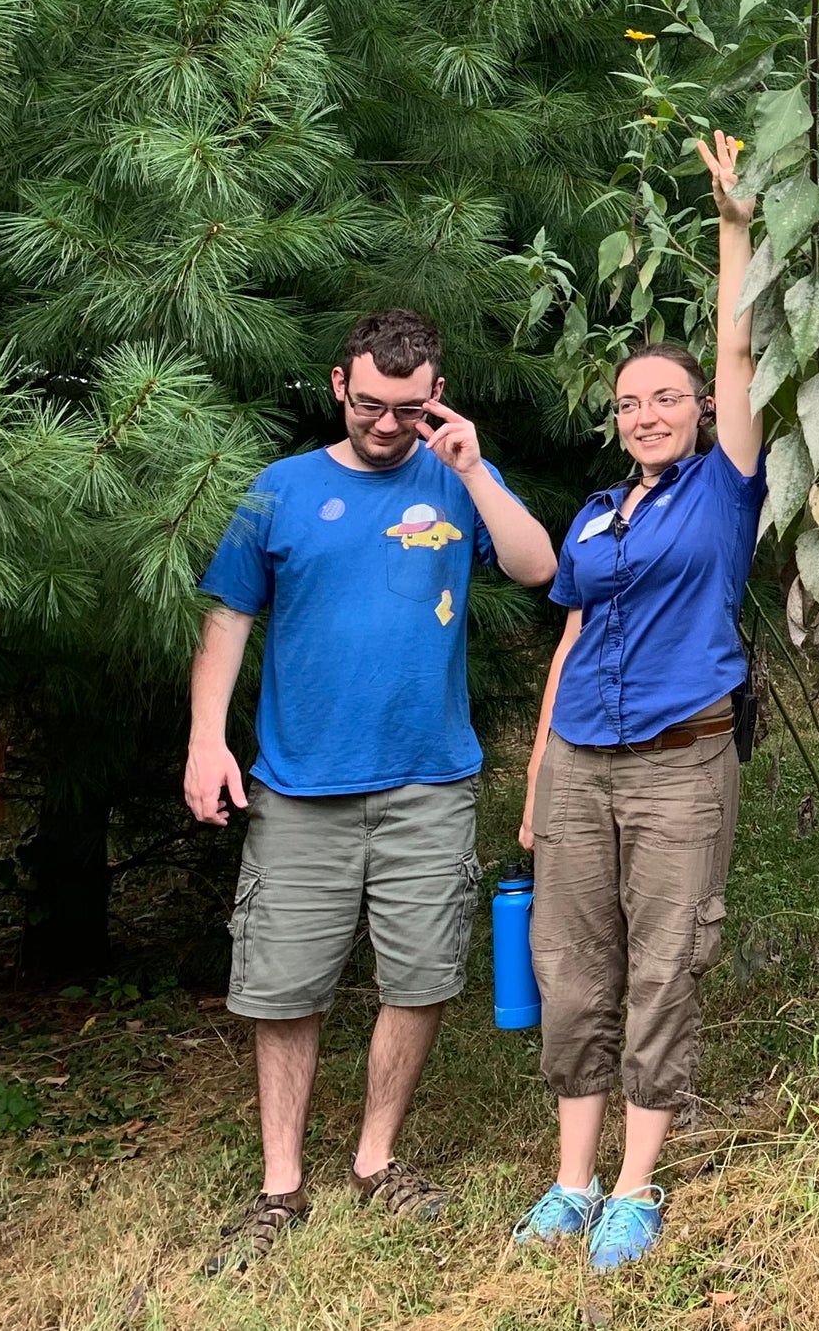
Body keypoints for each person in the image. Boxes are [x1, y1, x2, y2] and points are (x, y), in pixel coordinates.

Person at [185, 308, 558, 1274]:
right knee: (286, 990)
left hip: (430, 782)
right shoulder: (280, 494)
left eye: (410, 407)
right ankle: (280, 1188)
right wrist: (204, 741)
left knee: (423, 978)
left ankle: (375, 1159)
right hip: (301, 786)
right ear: (338, 387)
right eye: (370, 405)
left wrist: (474, 467)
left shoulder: (455, 476)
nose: (389, 425)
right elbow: (226, 622)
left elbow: (538, 567)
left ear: (433, 396)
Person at [510, 132, 763, 1273]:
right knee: (570, 964)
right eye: (630, 402)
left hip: (679, 764)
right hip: (577, 763)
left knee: (664, 962)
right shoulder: (598, 513)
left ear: (702, 410)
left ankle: (636, 1182)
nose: (649, 412)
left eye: (668, 398)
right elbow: (572, 634)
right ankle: (568, 1180)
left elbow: (740, 340)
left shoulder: (723, 490)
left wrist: (734, 224)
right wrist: (532, 780)